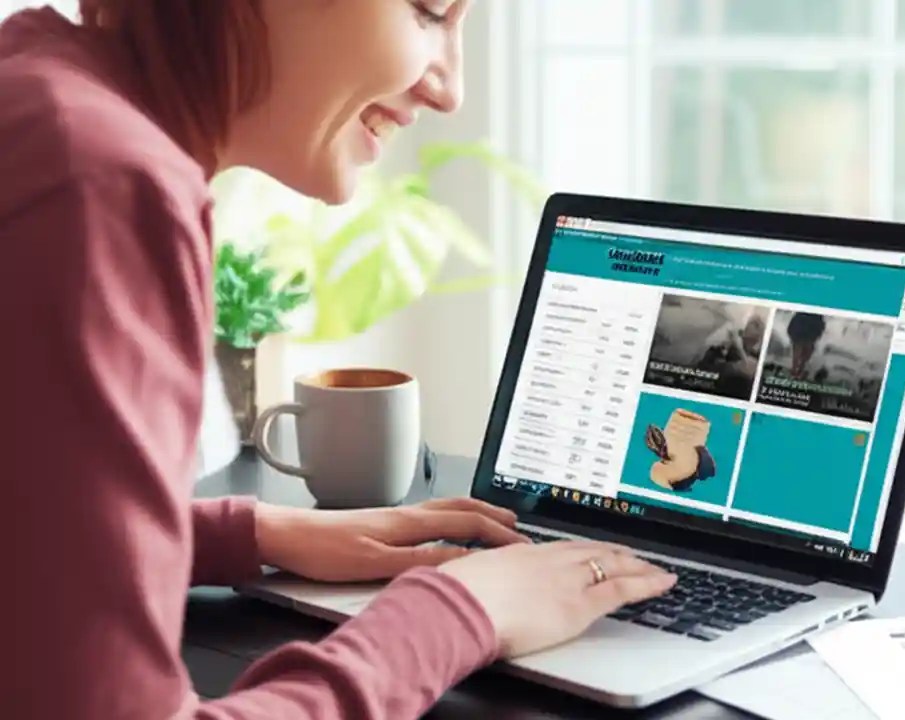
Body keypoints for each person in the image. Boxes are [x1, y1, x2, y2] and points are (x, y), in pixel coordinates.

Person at [0, 2, 676, 718]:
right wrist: (455, 614)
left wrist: (242, 533)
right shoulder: (101, 181)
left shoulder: (37, 90)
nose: (451, 90)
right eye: (429, 11)